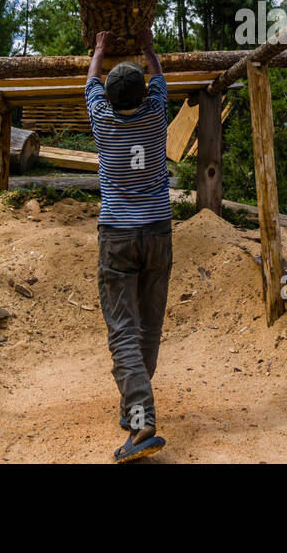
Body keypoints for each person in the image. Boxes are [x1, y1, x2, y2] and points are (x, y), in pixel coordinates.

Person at [84, 27, 173, 462]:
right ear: (143, 93)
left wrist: (99, 50)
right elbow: (159, 78)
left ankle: (141, 424)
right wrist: (149, 48)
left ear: (111, 97)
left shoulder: (102, 121)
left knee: (122, 329)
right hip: (158, 232)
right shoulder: (157, 116)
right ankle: (133, 408)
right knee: (148, 326)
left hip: (118, 235)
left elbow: (90, 84)